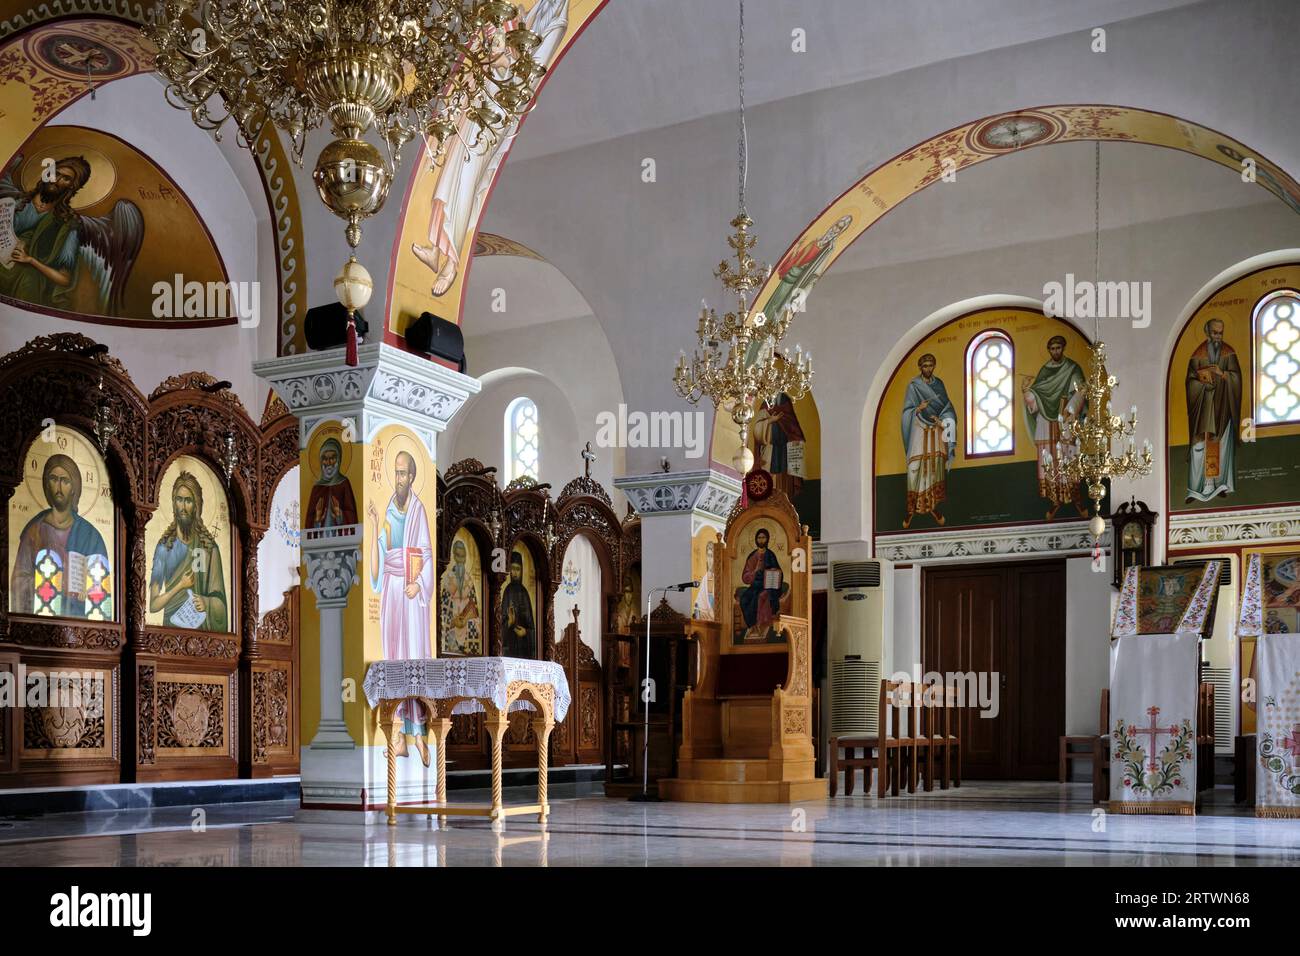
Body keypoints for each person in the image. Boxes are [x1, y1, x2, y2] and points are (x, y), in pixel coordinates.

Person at [367, 450, 434, 763]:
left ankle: (419, 734)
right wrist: (374, 525)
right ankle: (397, 735)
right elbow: (379, 556)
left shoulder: (419, 510)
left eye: (404, 473)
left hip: (411, 597)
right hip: (393, 593)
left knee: (414, 661)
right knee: (393, 659)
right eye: (396, 473)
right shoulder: (388, 508)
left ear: (413, 477)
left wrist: (418, 584)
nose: (399, 479)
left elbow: (427, 556)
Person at [10, 453, 112, 619]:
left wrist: (88, 589)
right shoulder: (34, 530)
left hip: (81, 627)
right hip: (41, 619)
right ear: (46, 484)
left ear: (74, 487)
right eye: (53, 479)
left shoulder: (91, 535)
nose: (59, 486)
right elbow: (18, 582)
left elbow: (100, 592)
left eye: (65, 480)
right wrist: (53, 582)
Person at [148, 471, 228, 632]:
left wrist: (206, 603)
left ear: (196, 506)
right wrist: (180, 586)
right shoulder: (164, 547)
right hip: (170, 633)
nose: (183, 507)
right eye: (179, 500)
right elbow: (153, 605)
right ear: (173, 503)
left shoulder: (209, 548)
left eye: (188, 501)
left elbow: (222, 604)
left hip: (203, 635)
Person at [1022, 335, 1087, 519]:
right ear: (1049, 350)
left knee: (1068, 456)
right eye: (1053, 348)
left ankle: (1076, 499)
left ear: (1064, 348)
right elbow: (1035, 398)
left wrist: (1071, 408)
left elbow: (1081, 390)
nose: (1056, 351)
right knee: (1049, 459)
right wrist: (1025, 390)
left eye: (1059, 347)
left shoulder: (1073, 368)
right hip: (1046, 421)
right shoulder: (1044, 371)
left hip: (1065, 418)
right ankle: (1055, 501)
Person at [1185, 318, 1241, 503]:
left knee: (1221, 444)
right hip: (1203, 409)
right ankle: (1196, 488)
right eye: (1215, 333)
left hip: (1223, 408)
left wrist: (1222, 374)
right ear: (1207, 333)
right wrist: (1201, 384)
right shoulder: (1197, 354)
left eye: (1220, 333)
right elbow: (1190, 382)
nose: (1218, 337)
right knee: (1199, 446)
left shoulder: (1228, 352)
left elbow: (1236, 378)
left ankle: (1220, 484)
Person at [901, 353, 956, 528]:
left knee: (933, 468)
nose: (928, 368)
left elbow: (948, 408)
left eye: (931, 365)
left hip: (935, 430)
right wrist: (918, 408)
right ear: (920, 367)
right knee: (914, 467)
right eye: (925, 365)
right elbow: (906, 413)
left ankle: (932, 507)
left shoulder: (939, 384)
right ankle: (911, 509)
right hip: (918, 428)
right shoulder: (913, 386)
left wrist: (942, 422)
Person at [737, 528, 782, 642]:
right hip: (755, 585)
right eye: (759, 537)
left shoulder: (771, 555)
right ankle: (752, 626)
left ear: (767, 539)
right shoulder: (752, 556)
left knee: (759, 598)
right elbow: (745, 577)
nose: (761, 540)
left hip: (768, 586)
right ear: (756, 540)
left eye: (763, 537)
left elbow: (778, 572)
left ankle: (760, 626)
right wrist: (755, 571)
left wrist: (773, 572)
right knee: (744, 599)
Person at [439, 538, 481, 655]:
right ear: (454, 557)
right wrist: (453, 621)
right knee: (442, 623)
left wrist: (467, 619)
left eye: (463, 557)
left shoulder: (469, 579)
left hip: (466, 620)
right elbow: (443, 607)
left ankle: (471, 653)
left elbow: (474, 608)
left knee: (477, 624)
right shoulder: (449, 579)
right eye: (458, 557)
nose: (461, 561)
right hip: (453, 620)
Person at [305, 437, 357, 528]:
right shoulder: (317, 488)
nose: (328, 462)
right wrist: (317, 518)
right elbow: (308, 522)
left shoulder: (344, 483)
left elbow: (352, 516)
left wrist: (339, 514)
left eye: (332, 458)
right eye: (325, 458)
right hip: (320, 539)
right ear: (321, 461)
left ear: (338, 459)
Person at [499, 551, 536, 658]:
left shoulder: (524, 593)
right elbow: (500, 624)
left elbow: (532, 627)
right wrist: (509, 622)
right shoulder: (507, 591)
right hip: (509, 648)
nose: (515, 572)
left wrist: (525, 632)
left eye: (518, 569)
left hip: (524, 650)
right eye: (513, 568)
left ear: (522, 570)